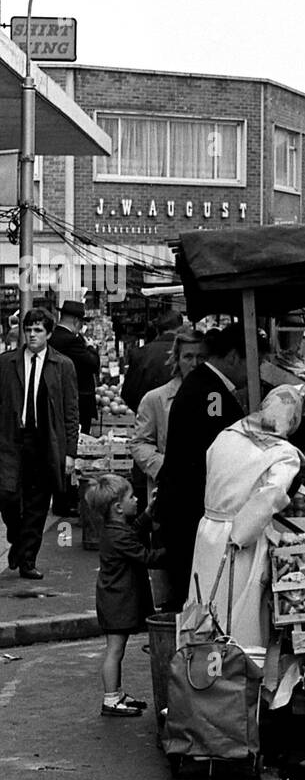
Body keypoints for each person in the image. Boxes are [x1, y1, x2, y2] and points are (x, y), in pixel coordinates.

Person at [191, 386, 305, 653]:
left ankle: (199, 678)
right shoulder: (283, 452)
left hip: (208, 531)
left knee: (204, 607)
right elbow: (272, 495)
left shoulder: (225, 436)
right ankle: (236, 681)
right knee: (240, 617)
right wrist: (241, 535)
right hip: (242, 539)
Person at [152, 323, 249, 610]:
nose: (254, 370)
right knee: (193, 595)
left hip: (188, 507)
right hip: (190, 510)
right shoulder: (212, 393)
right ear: (233, 357)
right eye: (254, 360)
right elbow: (217, 442)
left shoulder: (207, 386)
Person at [0, 308, 79, 579]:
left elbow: (71, 411)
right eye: (29, 330)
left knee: (37, 504)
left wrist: (70, 452)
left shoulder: (62, 365)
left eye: (38, 331)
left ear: (48, 333)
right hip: (12, 440)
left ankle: (27, 560)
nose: (32, 335)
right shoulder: (7, 363)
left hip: (46, 442)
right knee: (8, 496)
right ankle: (18, 539)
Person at [85, 474, 166, 718]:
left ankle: (117, 693)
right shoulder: (118, 536)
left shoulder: (116, 530)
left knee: (116, 649)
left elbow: (135, 530)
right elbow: (146, 556)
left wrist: (150, 510)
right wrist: (177, 550)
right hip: (116, 602)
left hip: (115, 599)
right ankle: (110, 699)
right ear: (119, 507)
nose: (137, 498)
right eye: (132, 496)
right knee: (115, 651)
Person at [129, 328, 206, 506]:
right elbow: (140, 442)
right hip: (168, 489)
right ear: (177, 360)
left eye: (201, 357)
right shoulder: (156, 399)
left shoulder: (215, 399)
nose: (195, 363)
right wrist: (164, 466)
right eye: (188, 357)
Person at [49, 300, 100, 434]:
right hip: (78, 399)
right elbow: (92, 364)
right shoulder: (73, 340)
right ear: (77, 321)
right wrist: (91, 348)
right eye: (82, 323)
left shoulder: (52, 337)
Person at [120, 310, 184, 413]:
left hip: (148, 419)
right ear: (180, 328)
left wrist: (145, 412)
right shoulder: (189, 353)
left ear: (158, 330)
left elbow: (128, 393)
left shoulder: (140, 354)